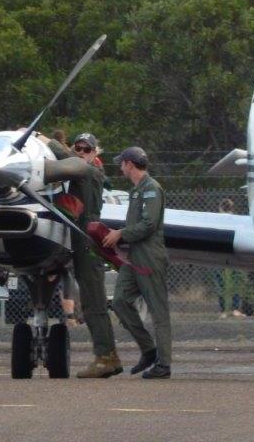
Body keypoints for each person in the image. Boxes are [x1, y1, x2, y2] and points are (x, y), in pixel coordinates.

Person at [44, 131, 123, 379]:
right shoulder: (76, 172)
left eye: (86, 149)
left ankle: (106, 357)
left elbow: (70, 161)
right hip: (78, 232)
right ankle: (107, 356)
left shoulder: (91, 172)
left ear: (95, 153)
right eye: (77, 148)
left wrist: (45, 140)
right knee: (90, 300)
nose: (81, 153)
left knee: (93, 300)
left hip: (87, 235)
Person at [103, 146, 172, 379]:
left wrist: (120, 234)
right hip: (134, 256)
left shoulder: (151, 189)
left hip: (150, 256)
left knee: (158, 312)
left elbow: (149, 224)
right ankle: (148, 349)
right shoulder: (136, 191)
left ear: (129, 164)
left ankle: (163, 365)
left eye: (122, 163)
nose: (120, 167)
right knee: (120, 300)